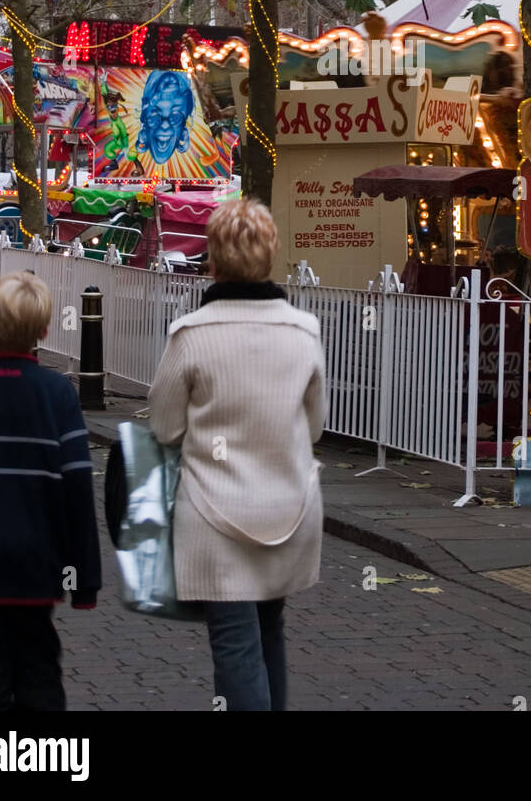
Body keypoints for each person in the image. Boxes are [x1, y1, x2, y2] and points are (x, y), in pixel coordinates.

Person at [148, 198, 325, 712]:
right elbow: (312, 426)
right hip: (288, 509)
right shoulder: (303, 331)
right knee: (270, 631)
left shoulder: (191, 335)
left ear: (214, 259)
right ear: (270, 254)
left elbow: (164, 426)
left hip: (215, 514)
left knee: (235, 643)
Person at [0, 272, 101, 710]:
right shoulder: (58, 395)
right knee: (39, 675)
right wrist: (85, 577)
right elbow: (78, 489)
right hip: (38, 566)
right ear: (44, 330)